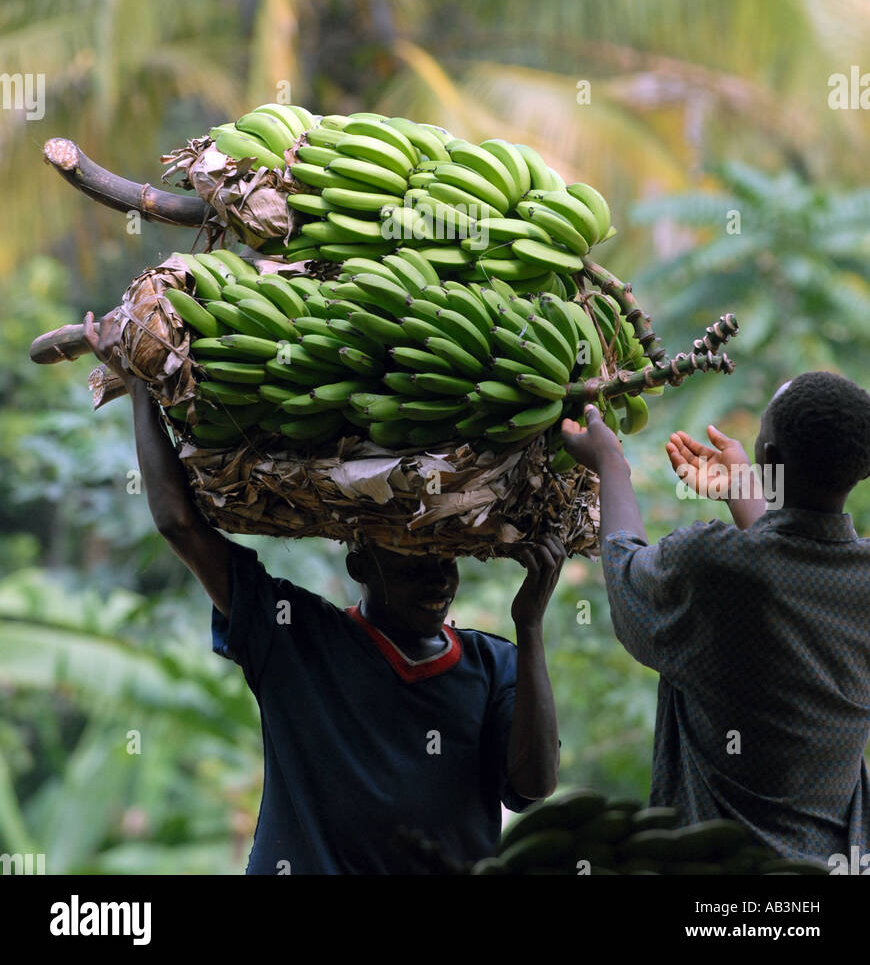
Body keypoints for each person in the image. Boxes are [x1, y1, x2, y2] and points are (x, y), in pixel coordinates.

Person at [83, 311, 564, 875]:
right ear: (360, 562)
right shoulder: (294, 637)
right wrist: (140, 381)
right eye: (413, 565)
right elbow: (180, 524)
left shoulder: (495, 665)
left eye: (447, 562)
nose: (439, 581)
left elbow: (533, 785)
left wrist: (530, 627)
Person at [560, 371, 870, 865]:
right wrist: (745, 487)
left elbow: (624, 578)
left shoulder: (710, 562)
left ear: (770, 459)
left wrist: (611, 465)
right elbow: (789, 577)